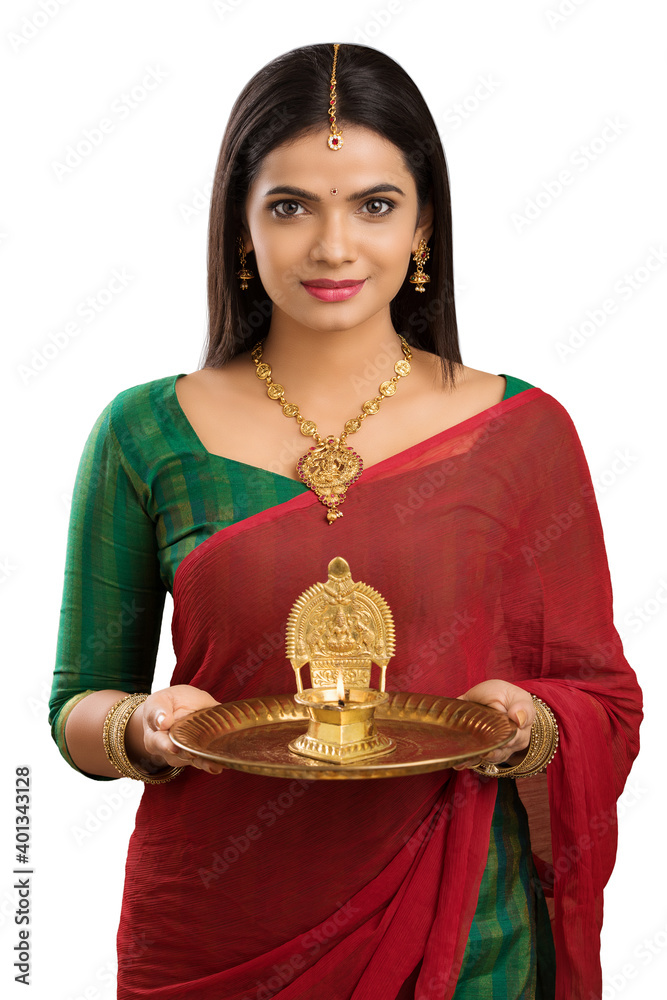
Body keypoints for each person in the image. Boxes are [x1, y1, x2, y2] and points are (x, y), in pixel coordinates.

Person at [48, 41, 642, 1000]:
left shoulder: (519, 433)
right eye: (290, 207)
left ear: (423, 229)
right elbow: (76, 703)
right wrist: (144, 725)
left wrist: (526, 723)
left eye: (374, 204)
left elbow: (601, 699)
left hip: (460, 937)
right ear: (241, 230)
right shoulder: (143, 432)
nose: (333, 247)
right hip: (213, 931)